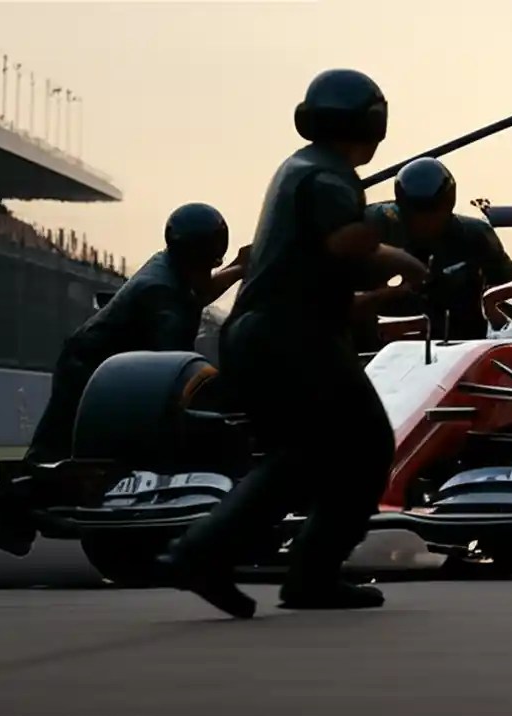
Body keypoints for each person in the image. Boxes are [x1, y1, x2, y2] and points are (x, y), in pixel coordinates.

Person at [156, 68, 429, 619]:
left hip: (262, 337)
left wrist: (395, 262)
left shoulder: (299, 169)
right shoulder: (331, 179)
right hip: (292, 338)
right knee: (365, 447)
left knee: (304, 457)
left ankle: (225, 557)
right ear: (373, 124)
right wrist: (390, 216)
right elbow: (345, 240)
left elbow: (330, 255)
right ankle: (290, 570)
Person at [0, 202, 247, 557]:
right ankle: (5, 520)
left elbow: (198, 291)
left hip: (105, 364)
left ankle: (13, 520)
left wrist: (238, 268)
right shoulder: (161, 295)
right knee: (59, 447)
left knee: (66, 446)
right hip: (90, 366)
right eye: (210, 261)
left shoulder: (170, 268)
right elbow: (175, 366)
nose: (211, 270)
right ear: (198, 257)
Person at [362, 157, 512, 339]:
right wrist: (389, 294)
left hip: (459, 351)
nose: (424, 223)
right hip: (378, 352)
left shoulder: (475, 235)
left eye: (432, 213)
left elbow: (508, 288)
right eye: (416, 214)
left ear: (448, 205)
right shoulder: (370, 229)